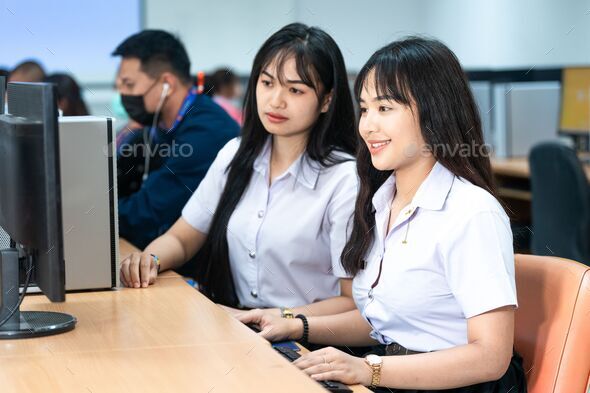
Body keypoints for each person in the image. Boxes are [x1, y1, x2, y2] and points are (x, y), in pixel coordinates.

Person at [238, 37, 527, 392]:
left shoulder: (471, 212)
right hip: (392, 372)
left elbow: (490, 357)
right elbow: (383, 323)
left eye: (385, 108)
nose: (367, 126)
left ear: (434, 111)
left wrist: (368, 369)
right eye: (364, 108)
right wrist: (296, 325)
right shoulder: (381, 201)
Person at [120, 23, 360, 320]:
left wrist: (279, 317)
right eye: (267, 83)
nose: (276, 101)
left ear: (326, 100)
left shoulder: (343, 178)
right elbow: (182, 238)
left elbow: (352, 302)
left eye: (295, 90)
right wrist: (151, 260)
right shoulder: (235, 154)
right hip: (239, 324)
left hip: (309, 338)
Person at [112, 30, 240, 249]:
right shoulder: (160, 126)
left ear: (167, 85)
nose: (122, 94)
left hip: (201, 272)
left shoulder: (206, 133)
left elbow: (150, 211)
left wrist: (90, 217)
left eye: (129, 85)